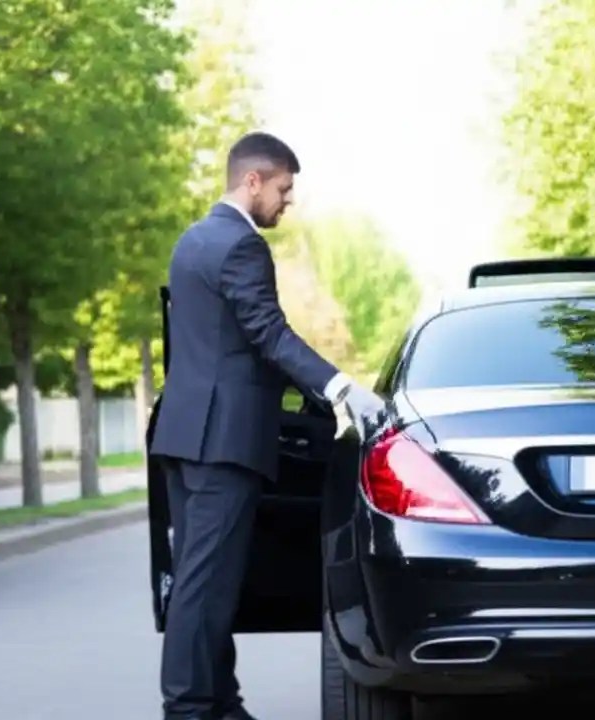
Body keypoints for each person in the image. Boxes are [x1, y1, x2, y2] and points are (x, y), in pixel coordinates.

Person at [149, 131, 387, 720]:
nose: (288, 201)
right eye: (283, 188)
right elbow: (267, 334)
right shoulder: (241, 246)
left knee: (202, 582)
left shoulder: (192, 240)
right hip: (222, 442)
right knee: (205, 589)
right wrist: (341, 389)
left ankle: (222, 705)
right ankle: (188, 710)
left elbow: (218, 345)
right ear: (252, 180)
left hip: (186, 434)